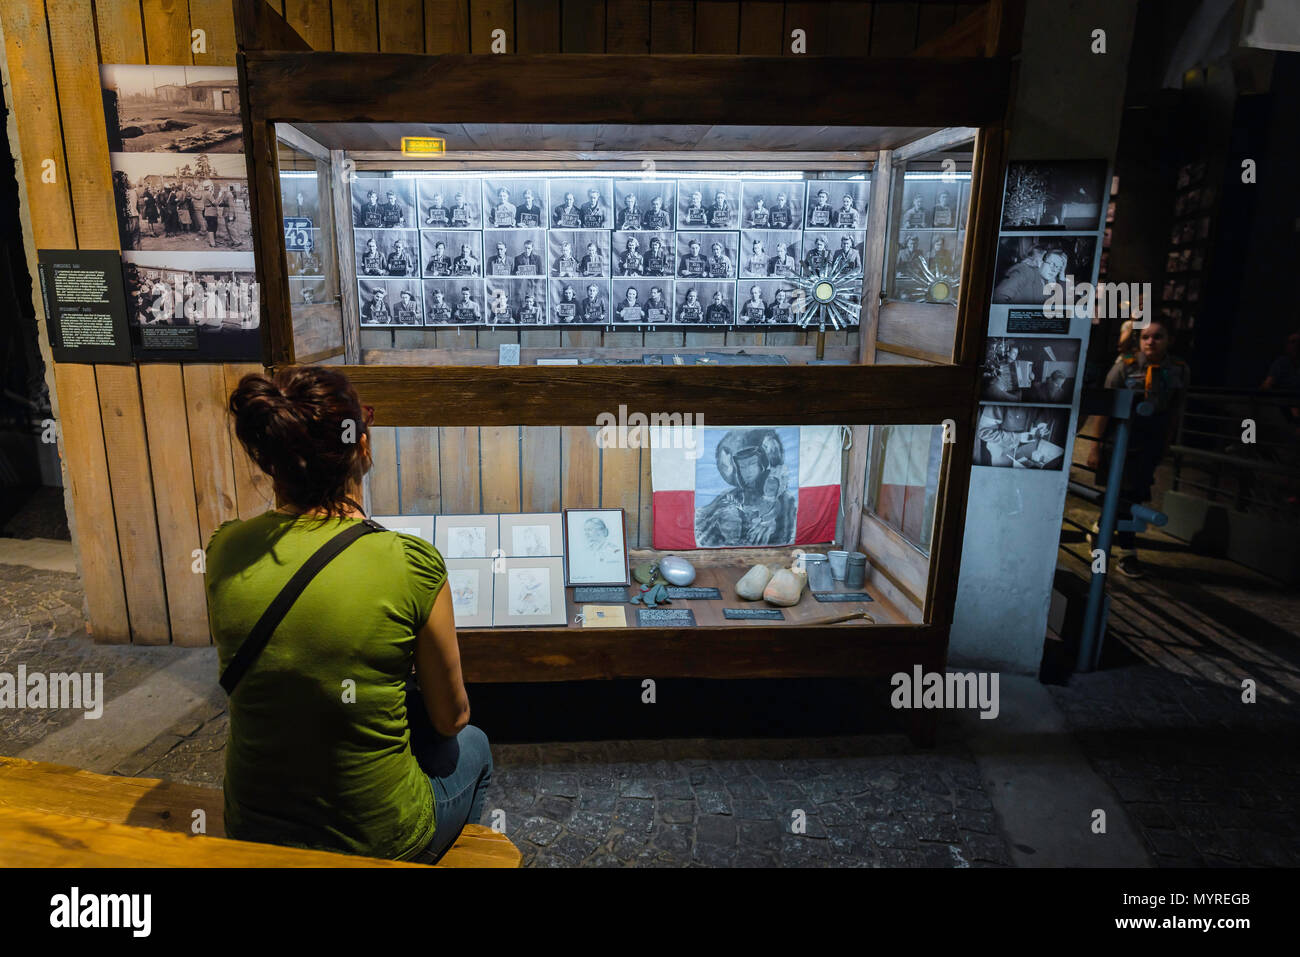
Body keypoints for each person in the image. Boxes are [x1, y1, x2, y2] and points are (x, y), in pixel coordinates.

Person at [208, 367, 491, 865]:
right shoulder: (410, 564)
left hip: (251, 823)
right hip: (380, 836)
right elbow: (452, 718)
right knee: (476, 745)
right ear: (360, 445)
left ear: (270, 459)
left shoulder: (225, 548)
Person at [1084, 321, 1190, 578]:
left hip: (1149, 441)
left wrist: (1165, 443)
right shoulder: (1126, 365)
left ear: (1169, 340)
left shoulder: (1178, 369)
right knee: (1124, 494)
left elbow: (1174, 409)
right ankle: (1127, 552)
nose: (1151, 342)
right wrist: (1095, 446)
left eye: (1158, 337)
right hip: (1121, 438)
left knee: (1131, 494)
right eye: (1145, 337)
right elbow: (1106, 409)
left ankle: (1101, 531)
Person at [992, 247, 1066, 304]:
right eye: (1052, 264)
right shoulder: (1024, 271)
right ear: (1041, 262)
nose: (1054, 270)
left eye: (1058, 267)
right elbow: (998, 297)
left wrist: (1062, 274)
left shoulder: (1047, 282)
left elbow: (1061, 304)